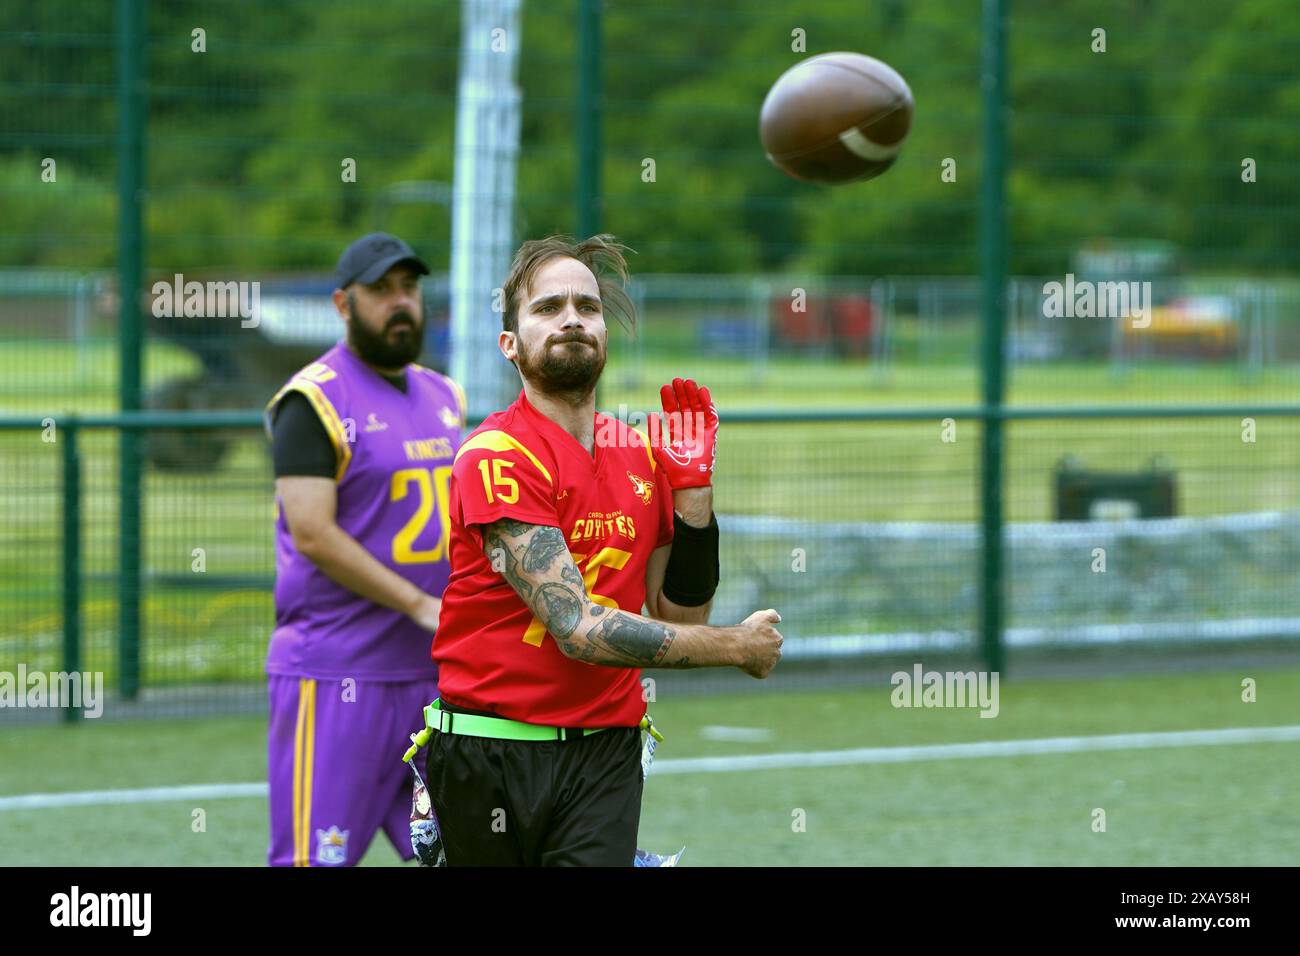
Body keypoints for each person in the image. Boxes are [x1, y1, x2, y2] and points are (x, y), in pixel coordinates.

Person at [424, 234, 783, 866]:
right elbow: (577, 629)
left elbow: (678, 620)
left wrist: (694, 500)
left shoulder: (638, 452)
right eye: (547, 308)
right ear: (511, 345)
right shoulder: (494, 456)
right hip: (492, 751)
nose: (571, 319)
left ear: (606, 336)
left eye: (588, 308)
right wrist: (737, 648)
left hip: (606, 752)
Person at [263, 232, 465, 866]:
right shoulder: (314, 400)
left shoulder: (445, 396)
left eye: (409, 288)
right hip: (338, 679)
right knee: (317, 861)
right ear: (343, 304)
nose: (399, 303)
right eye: (380, 291)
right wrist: (415, 603)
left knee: (459, 857)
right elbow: (314, 533)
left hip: (431, 680)